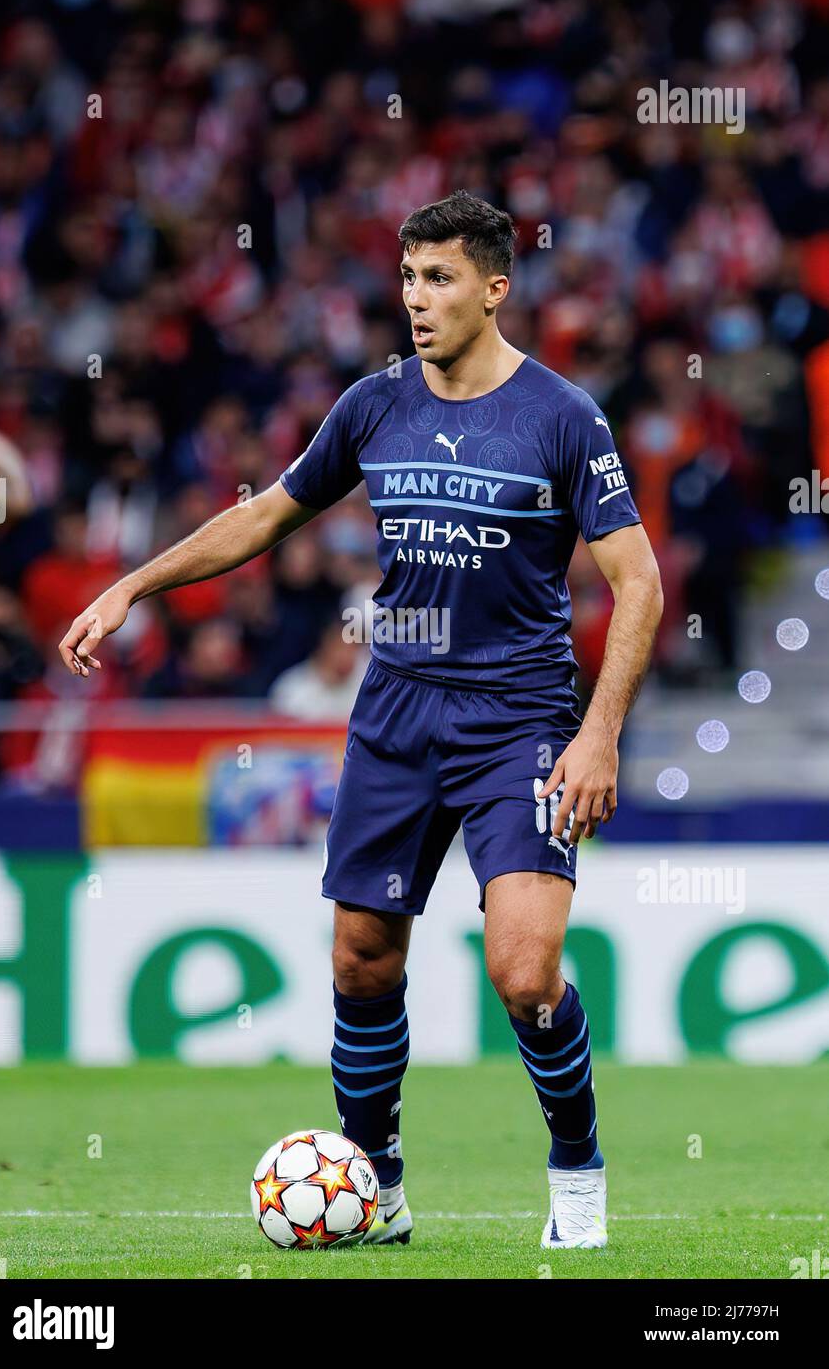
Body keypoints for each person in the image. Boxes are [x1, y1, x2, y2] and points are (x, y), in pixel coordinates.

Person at [58, 191, 663, 1251]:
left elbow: (640, 582)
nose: (414, 299)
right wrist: (134, 586)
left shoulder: (562, 416)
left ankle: (576, 1169)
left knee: (523, 972)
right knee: (360, 960)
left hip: (517, 715)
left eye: (437, 279)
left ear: (492, 286)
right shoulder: (374, 404)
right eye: (405, 277)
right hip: (393, 709)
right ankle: (375, 1187)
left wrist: (597, 731)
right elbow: (262, 514)